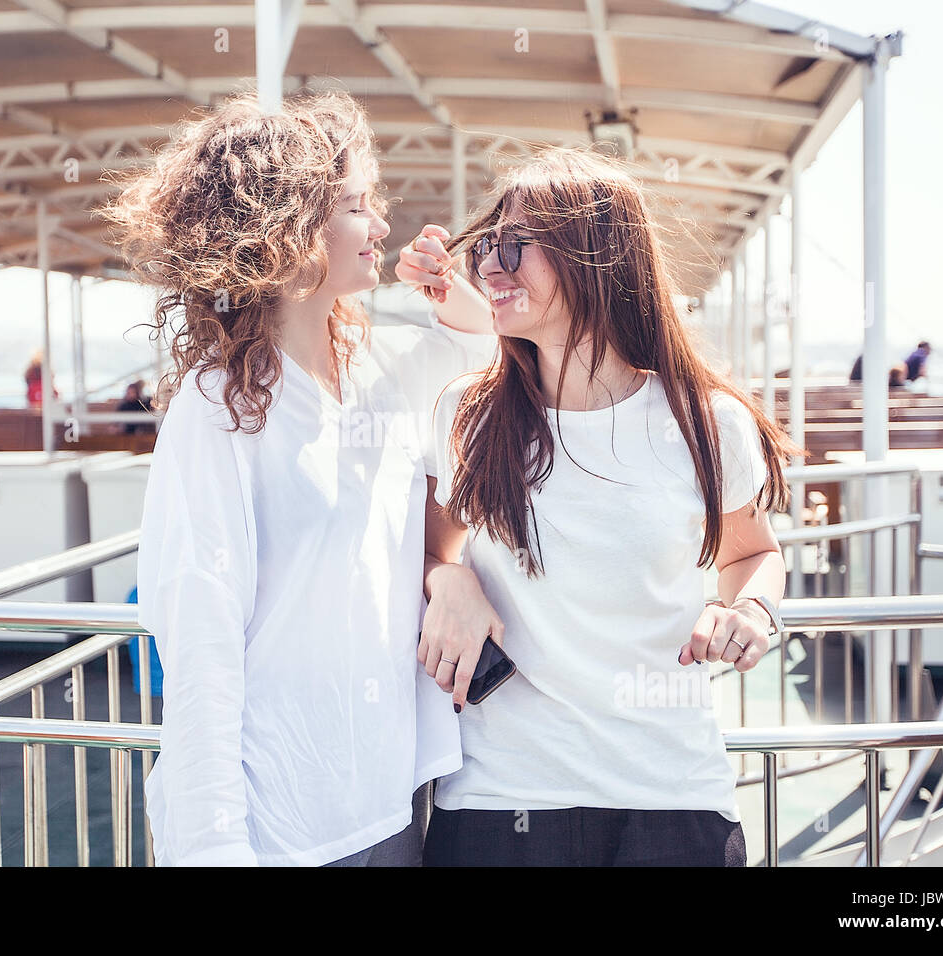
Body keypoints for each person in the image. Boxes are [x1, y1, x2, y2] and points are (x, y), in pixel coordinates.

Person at [104, 89, 496, 866]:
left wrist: (450, 291)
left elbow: (481, 359)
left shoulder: (380, 368)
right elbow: (201, 644)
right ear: (289, 227)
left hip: (387, 805)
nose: (381, 224)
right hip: (275, 828)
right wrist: (216, 849)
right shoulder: (218, 409)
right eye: (357, 205)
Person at [417, 146, 804, 866]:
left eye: (513, 246)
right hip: (503, 801)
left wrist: (751, 611)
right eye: (484, 249)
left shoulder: (707, 423)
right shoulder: (465, 416)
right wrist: (451, 581)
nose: (489, 268)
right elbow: (434, 547)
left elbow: (752, 554)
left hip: (670, 798)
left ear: (596, 255)